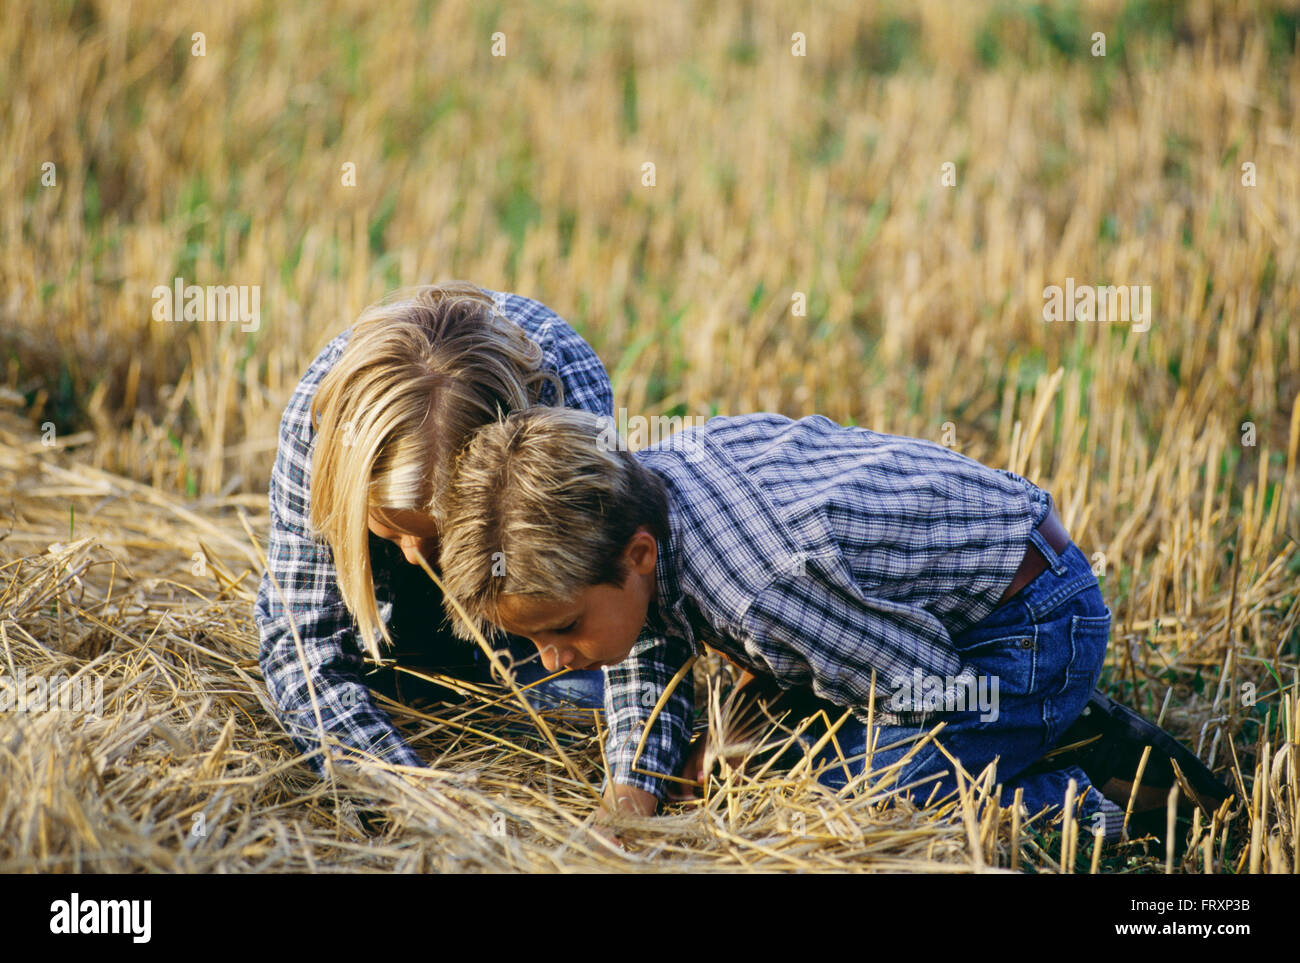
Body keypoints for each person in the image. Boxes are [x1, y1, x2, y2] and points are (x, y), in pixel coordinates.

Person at [435, 406, 1222, 842]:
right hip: (911, 632)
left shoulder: (760, 587)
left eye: (563, 627)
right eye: (531, 638)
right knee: (750, 756)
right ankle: (1038, 731)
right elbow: (645, 649)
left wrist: (800, 758)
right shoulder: (649, 496)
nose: (552, 657)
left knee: (848, 806)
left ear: (636, 554)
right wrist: (631, 791)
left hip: (1025, 628)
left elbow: (924, 685)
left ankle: (1110, 789)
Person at [254, 282, 610, 776]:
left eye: (439, 532)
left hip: (511, 588)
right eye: (393, 527)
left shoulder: (568, 398)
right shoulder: (320, 426)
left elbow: (601, 592)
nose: (415, 553)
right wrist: (404, 784)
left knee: (579, 714)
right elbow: (303, 645)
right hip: (382, 617)